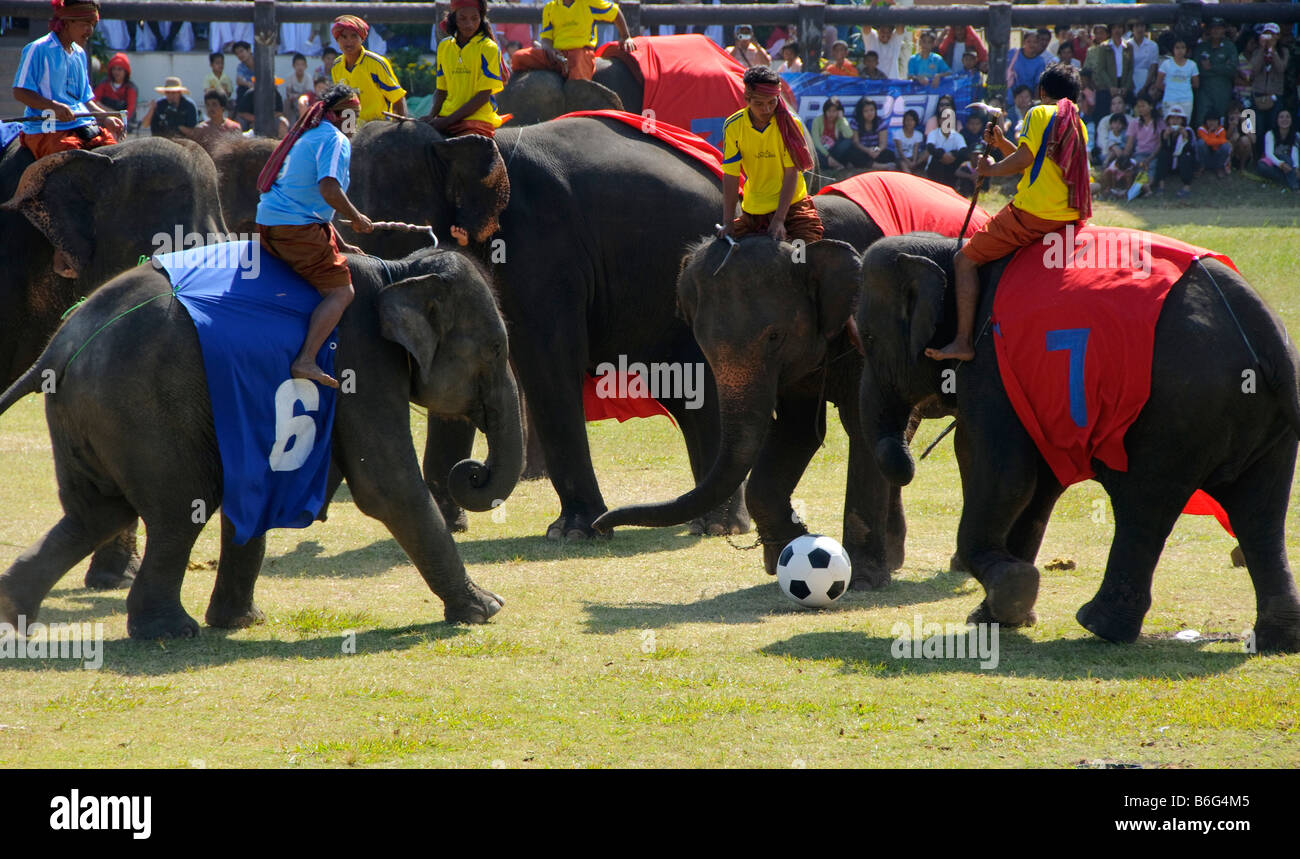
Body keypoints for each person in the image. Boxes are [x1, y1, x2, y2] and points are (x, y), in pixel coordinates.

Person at [927, 63, 1090, 363]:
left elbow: (1024, 159)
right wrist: (1000, 143)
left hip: (1033, 214)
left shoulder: (1039, 113)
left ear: (1042, 92)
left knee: (964, 260)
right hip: (1066, 215)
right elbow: (1035, 162)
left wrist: (990, 169)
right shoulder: (1075, 121)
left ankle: (963, 341)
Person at [255, 83, 374, 389]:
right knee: (342, 292)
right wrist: (356, 217)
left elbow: (309, 202)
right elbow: (329, 189)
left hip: (272, 223)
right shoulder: (335, 140)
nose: (354, 122)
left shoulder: (310, 134)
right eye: (352, 115)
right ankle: (305, 359)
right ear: (335, 115)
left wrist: (342, 242)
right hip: (295, 229)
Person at [12, 0, 124, 160]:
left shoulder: (79, 53)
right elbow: (20, 92)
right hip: (46, 129)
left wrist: (105, 117)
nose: (90, 30)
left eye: (93, 24)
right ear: (66, 22)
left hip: (82, 125)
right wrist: (53, 107)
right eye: (85, 23)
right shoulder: (38, 49)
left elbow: (85, 99)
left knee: (113, 155)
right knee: (72, 162)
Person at [720, 67, 821, 243]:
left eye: (772, 102)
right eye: (759, 103)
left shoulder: (790, 123)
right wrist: (728, 221)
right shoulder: (733, 126)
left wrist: (779, 219)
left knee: (804, 256)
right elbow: (731, 175)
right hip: (753, 209)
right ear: (747, 99)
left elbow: (792, 173)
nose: (766, 109)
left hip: (792, 207)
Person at [431, 0, 507, 139]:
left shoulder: (488, 48)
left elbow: (483, 96)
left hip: (478, 119)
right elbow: (441, 89)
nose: (469, 24)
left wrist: (448, 121)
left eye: (474, 18)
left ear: (481, 18)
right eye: (462, 18)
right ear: (454, 19)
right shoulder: (444, 46)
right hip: (446, 116)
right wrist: (431, 115)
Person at [511, 0, 635, 81]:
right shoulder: (550, 8)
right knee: (518, 57)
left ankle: (578, 110)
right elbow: (546, 38)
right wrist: (551, 51)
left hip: (580, 52)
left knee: (578, 80)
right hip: (556, 55)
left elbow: (615, 12)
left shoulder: (589, 3)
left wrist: (626, 37)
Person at [330, 15, 408, 124]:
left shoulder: (377, 63)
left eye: (354, 36)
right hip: (350, 127)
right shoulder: (336, 66)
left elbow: (398, 98)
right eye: (344, 37)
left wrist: (400, 128)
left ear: (362, 39)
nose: (349, 41)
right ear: (337, 39)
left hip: (378, 126)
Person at [1249, 24, 1288, 147]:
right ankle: (1257, 156)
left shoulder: (1284, 51)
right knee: (1258, 128)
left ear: (1278, 36)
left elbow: (1281, 68)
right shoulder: (1256, 51)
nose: (1269, 37)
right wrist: (1262, 49)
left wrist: (1273, 50)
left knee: (1273, 127)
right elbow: (1253, 70)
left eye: (1272, 35)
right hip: (1259, 94)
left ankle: (1272, 155)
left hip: (1275, 95)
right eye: (1266, 34)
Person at [1196, 18, 1236, 127]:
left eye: (1219, 28)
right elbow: (1198, 69)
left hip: (1222, 89)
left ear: (1224, 30)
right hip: (1205, 90)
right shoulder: (1201, 47)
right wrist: (1222, 67)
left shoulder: (1229, 47)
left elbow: (1232, 69)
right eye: (1213, 28)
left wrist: (1212, 67)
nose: (1216, 31)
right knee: (1202, 120)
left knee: (1221, 121)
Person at [1083, 23, 1133, 108]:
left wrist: (1126, 87)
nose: (1117, 30)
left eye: (1120, 27)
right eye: (1114, 28)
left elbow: (1130, 68)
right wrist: (1110, 86)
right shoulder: (1104, 46)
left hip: (1123, 84)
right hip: (1106, 87)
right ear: (1111, 30)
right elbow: (1101, 69)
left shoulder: (1128, 46)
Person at [1153, 104, 1194, 198]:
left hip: (1183, 160)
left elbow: (1189, 148)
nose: (1175, 121)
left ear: (1182, 120)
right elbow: (1164, 148)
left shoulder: (1188, 131)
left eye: (1178, 118)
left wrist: (1185, 137)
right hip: (1170, 161)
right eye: (1172, 118)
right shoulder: (1165, 131)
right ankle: (1161, 186)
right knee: (1162, 154)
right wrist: (1166, 137)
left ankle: (1186, 187)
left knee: (1186, 156)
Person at [1155, 39, 1198, 125]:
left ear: (1186, 50)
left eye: (1183, 48)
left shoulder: (1192, 64)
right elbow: (1158, 84)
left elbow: (1196, 84)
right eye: (1177, 48)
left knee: (1184, 124)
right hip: (1170, 99)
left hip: (1186, 100)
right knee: (1168, 124)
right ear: (1173, 49)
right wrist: (1170, 89)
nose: (1180, 50)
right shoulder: (1166, 64)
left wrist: (1183, 88)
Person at [93, 52, 137, 133]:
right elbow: (93, 101)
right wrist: (110, 113)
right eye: (114, 69)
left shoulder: (130, 88)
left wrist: (120, 121)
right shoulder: (104, 84)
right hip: (104, 123)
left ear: (126, 71)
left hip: (123, 126)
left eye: (119, 69)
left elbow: (130, 110)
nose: (116, 72)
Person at [1257, 109, 1299, 191]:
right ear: (1277, 120)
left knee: (1286, 158)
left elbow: (1295, 153)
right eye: (1281, 117)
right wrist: (1281, 164)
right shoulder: (1270, 134)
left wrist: (1296, 167)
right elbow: (1269, 154)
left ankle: (1294, 185)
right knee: (1261, 166)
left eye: (1287, 117)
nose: (1285, 120)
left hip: (1289, 164)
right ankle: (1292, 180)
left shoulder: (1296, 135)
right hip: (1275, 163)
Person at [924, 109, 967, 188]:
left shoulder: (958, 136)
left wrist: (952, 155)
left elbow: (964, 151)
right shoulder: (933, 133)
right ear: (939, 120)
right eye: (944, 118)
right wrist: (942, 155)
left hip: (951, 167)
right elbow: (930, 147)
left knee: (957, 155)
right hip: (935, 168)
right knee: (939, 152)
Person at [848, 98, 895, 170]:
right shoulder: (855, 122)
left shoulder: (880, 122)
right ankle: (882, 166)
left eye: (872, 110)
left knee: (890, 155)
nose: (869, 113)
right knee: (853, 154)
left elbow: (883, 143)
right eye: (866, 111)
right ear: (861, 112)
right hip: (862, 150)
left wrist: (877, 150)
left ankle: (866, 164)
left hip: (875, 150)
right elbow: (856, 142)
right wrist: (867, 150)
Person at [811, 96, 854, 171]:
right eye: (829, 111)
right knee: (815, 154)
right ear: (825, 111)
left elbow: (849, 135)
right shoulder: (817, 121)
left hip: (834, 151)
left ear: (838, 111)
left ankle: (831, 164)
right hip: (822, 152)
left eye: (834, 111)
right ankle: (835, 164)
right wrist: (828, 156)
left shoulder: (840, 120)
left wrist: (841, 118)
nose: (831, 114)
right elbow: (816, 142)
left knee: (848, 142)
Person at [1127, 19, 1160, 101]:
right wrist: (1129, 84)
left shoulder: (1153, 45)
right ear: (1132, 28)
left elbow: (1153, 66)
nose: (1139, 29)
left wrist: (1145, 87)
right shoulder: (1126, 44)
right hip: (1130, 80)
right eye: (1136, 26)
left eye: (1142, 26)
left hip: (1146, 79)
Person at [892, 109, 928, 175]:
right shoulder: (898, 133)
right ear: (904, 121)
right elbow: (900, 151)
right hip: (901, 158)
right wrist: (907, 161)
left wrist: (914, 161)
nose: (909, 122)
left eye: (912, 120)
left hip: (913, 158)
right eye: (907, 120)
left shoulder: (918, 134)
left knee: (926, 153)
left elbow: (916, 149)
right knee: (903, 164)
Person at [1195, 112, 1230, 177]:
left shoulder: (1221, 130)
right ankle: (1201, 167)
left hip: (1217, 156)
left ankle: (1219, 168)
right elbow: (1208, 142)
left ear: (1218, 121)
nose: (1212, 123)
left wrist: (1211, 138)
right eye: (1209, 120)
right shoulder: (1201, 129)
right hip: (1205, 156)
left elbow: (1222, 143)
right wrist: (1214, 137)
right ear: (1206, 121)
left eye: (1214, 120)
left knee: (1226, 146)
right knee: (1200, 143)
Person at [285, 52, 314, 124]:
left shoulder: (308, 78)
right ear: (293, 66)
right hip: (293, 101)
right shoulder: (289, 77)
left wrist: (298, 96)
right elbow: (288, 93)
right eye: (297, 64)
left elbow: (309, 93)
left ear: (306, 66)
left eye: (302, 64)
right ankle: (287, 125)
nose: (300, 67)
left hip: (305, 101)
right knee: (286, 102)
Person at [1226, 101, 1255, 173]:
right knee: (1235, 137)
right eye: (1232, 113)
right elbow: (1224, 139)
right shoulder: (1224, 121)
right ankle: (1228, 165)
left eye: (1237, 113)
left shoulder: (1247, 121)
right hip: (1230, 152)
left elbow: (1253, 140)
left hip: (1242, 153)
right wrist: (1232, 127)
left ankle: (1242, 167)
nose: (1235, 116)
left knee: (1245, 140)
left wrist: (1243, 124)